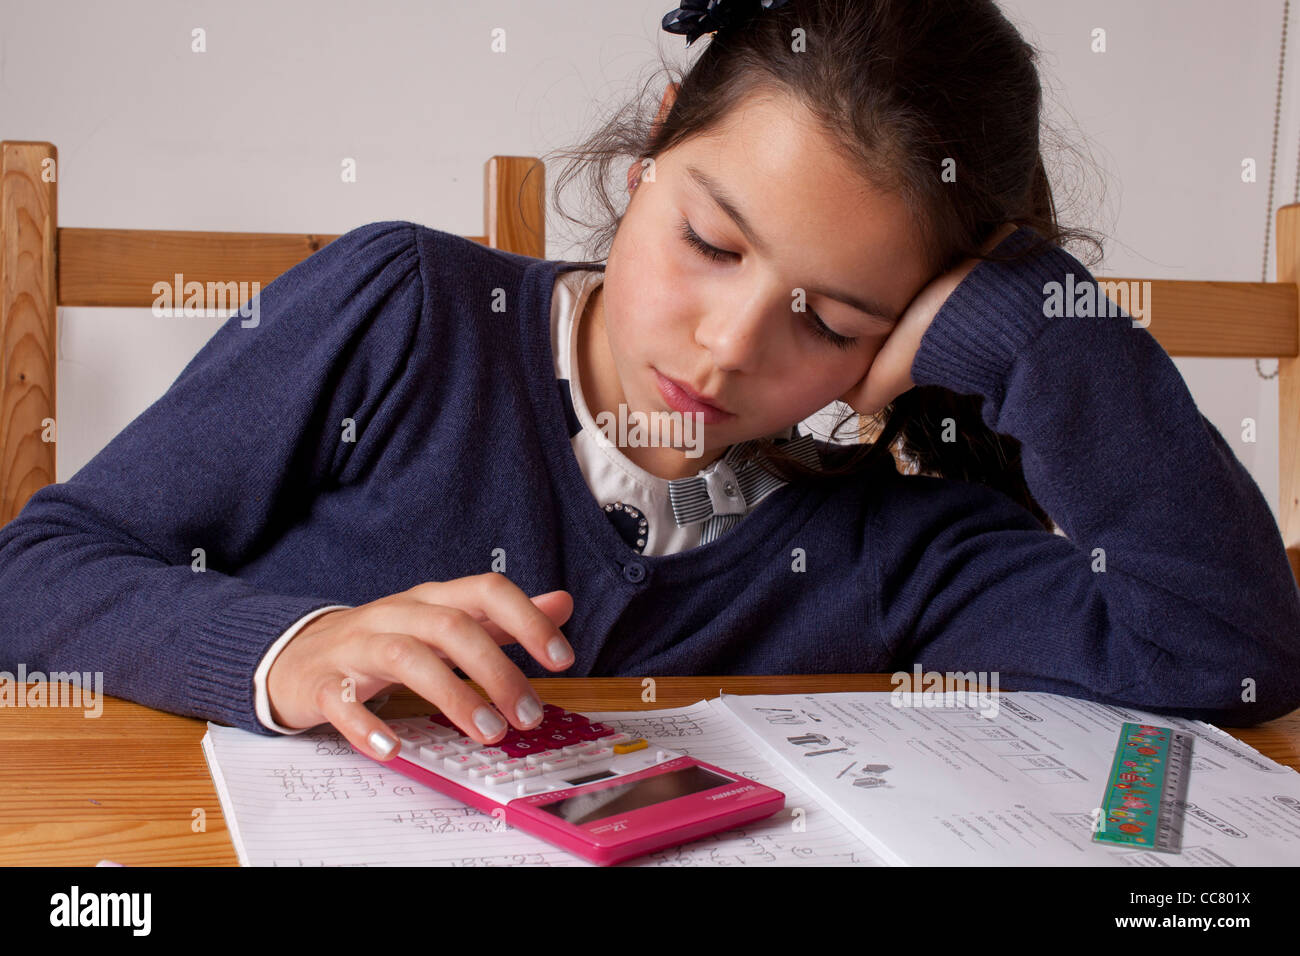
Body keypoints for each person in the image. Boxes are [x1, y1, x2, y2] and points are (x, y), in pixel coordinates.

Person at [2, 0, 1298, 766]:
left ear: (912, 332)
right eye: (710, 242)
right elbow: (36, 570)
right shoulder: (405, 314)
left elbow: (1228, 653)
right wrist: (289, 650)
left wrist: (1039, 327)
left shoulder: (898, 536)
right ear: (657, 143)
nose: (730, 346)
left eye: (831, 316)